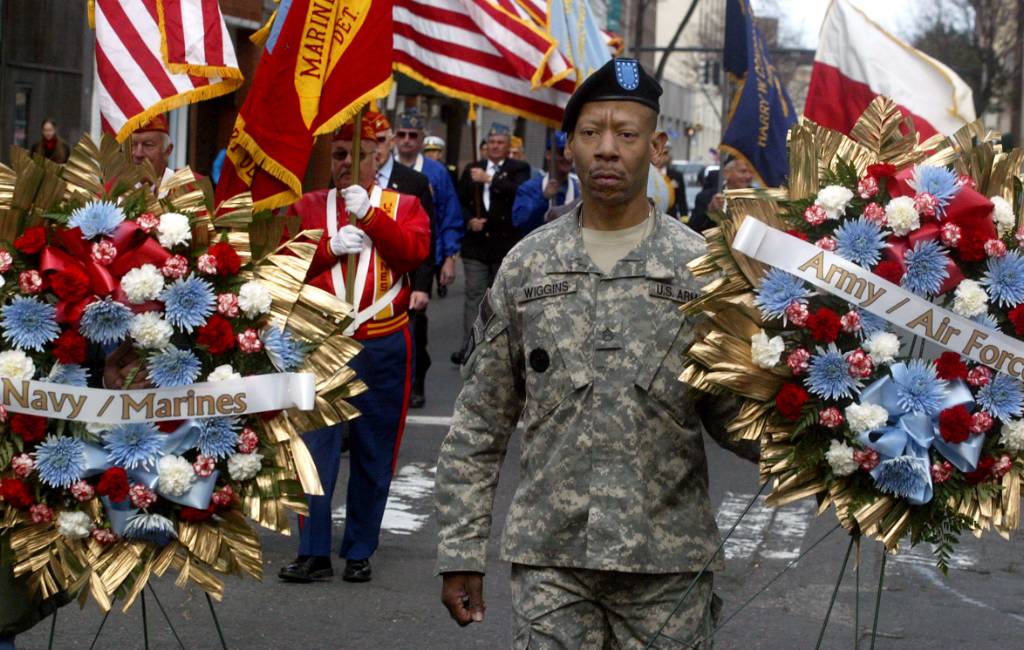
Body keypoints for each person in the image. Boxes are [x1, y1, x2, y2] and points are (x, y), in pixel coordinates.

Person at [435, 57, 758, 647]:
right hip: (552, 563)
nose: (607, 149)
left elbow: (733, 416)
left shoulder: (701, 272)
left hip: (667, 566)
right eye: (591, 133)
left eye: (626, 134)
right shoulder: (527, 266)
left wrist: (821, 431)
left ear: (658, 147)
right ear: (568, 149)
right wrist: (460, 549)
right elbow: (480, 422)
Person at [278, 115, 430, 584]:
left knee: (373, 451)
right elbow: (283, 267)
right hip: (320, 344)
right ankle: (313, 551)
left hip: (384, 342)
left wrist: (369, 216)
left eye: (356, 154)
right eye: (338, 154)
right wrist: (327, 248)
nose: (345, 163)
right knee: (313, 449)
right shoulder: (306, 207)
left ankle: (360, 548)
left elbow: (412, 254)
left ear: (376, 156)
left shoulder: (403, 204)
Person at [392, 109, 464, 408]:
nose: (407, 141)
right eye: (402, 135)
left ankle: (416, 379)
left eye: (413, 136)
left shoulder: (435, 173)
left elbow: (448, 216)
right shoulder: (385, 169)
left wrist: (449, 257)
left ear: (422, 139)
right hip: (388, 258)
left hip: (423, 257)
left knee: (415, 322)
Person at [452, 123, 531, 364]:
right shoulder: (472, 169)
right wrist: (469, 221)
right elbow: (461, 202)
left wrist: (490, 179)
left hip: (504, 246)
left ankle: (501, 350)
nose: (495, 147)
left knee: (501, 299)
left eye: (500, 143)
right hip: (476, 246)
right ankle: (469, 347)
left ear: (508, 146)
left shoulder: (518, 168)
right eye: (491, 142)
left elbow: (521, 192)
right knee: (474, 296)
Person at [511, 130, 580, 234]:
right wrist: (543, 198)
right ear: (548, 154)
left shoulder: (580, 188)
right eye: (562, 152)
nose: (567, 157)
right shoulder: (530, 188)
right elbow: (519, 222)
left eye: (570, 152)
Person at [689, 158, 752, 233]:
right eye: (743, 171)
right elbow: (694, 228)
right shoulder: (705, 197)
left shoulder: (758, 198)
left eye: (751, 172)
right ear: (726, 173)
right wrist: (711, 211)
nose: (748, 176)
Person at [129, 114, 176, 196]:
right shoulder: (110, 193)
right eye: (133, 144)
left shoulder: (188, 189)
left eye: (148, 145)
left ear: (167, 151)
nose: (138, 154)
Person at [655, 142, 689, 219]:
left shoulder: (676, 176)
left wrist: (685, 219)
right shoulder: (645, 175)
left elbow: (682, 201)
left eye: (665, 153)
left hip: (670, 219)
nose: (661, 157)